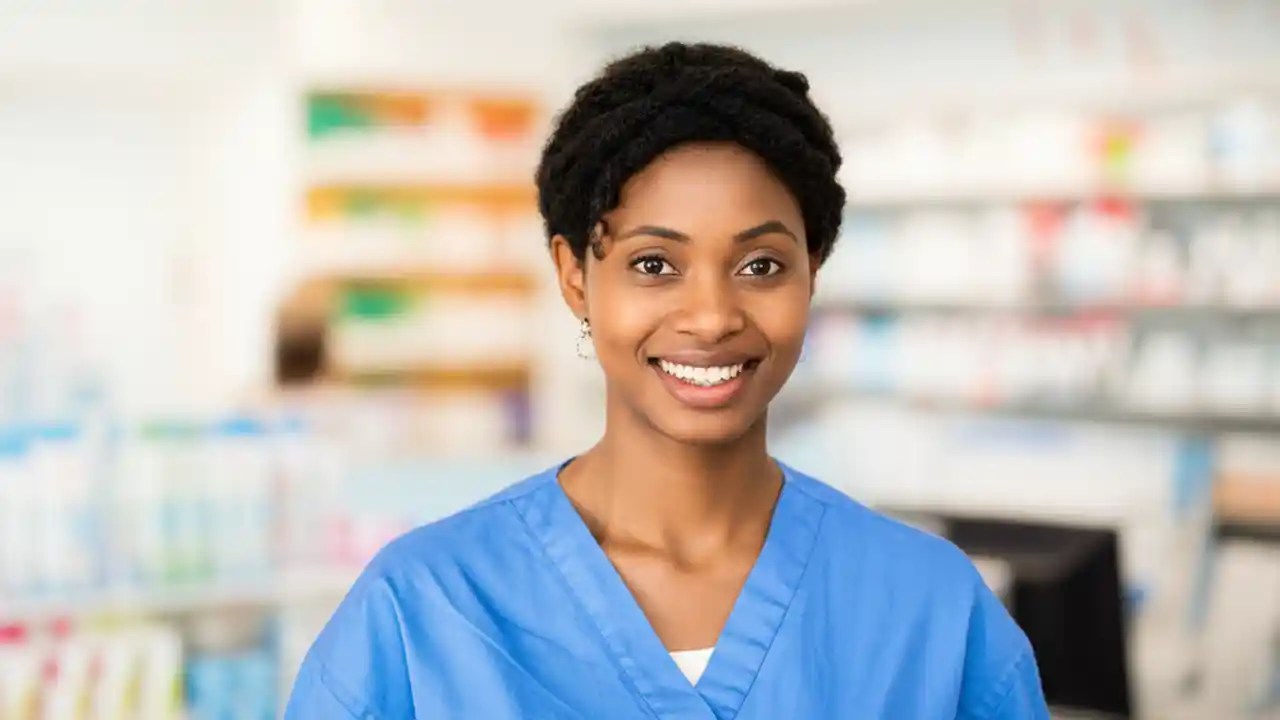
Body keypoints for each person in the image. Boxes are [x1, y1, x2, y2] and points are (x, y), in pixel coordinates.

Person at [285, 42, 1049, 719]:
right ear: (575, 277)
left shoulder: (931, 612)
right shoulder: (426, 611)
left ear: (812, 272)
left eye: (761, 266)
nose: (712, 317)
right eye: (654, 265)